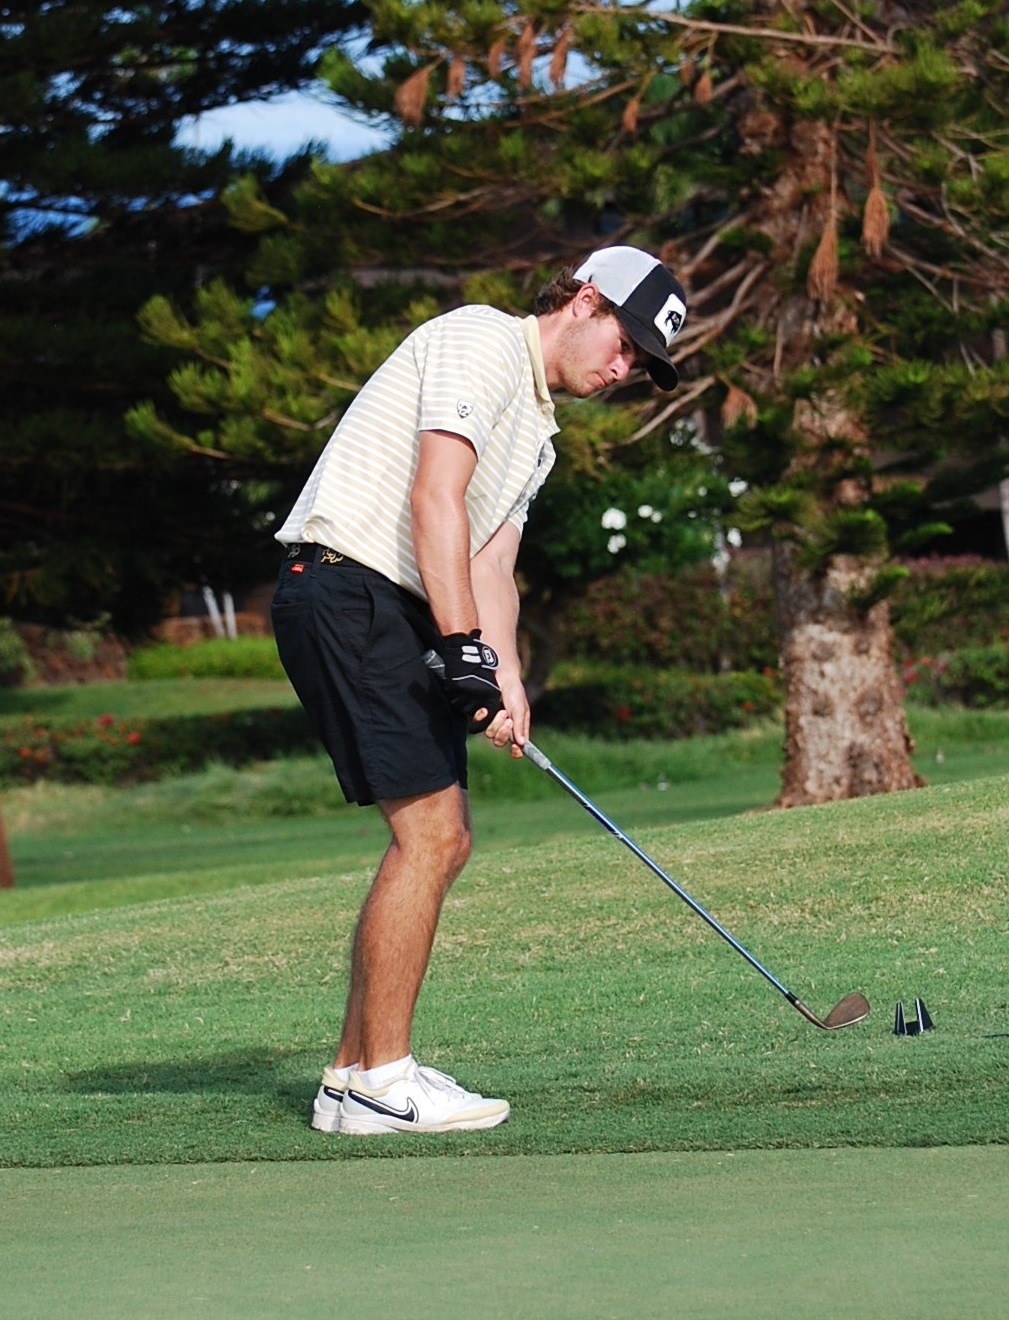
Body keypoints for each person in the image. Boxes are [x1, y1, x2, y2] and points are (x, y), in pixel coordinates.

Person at [270, 245, 688, 1135]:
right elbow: (436, 499)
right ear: (583, 300)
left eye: (642, 366)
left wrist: (504, 673)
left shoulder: (537, 432)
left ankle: (352, 1078)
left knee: (440, 840)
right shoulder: (480, 342)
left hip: (390, 605)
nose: (623, 370)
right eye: (625, 345)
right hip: (349, 587)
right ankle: (384, 1078)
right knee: (432, 836)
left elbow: (493, 563)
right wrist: (462, 649)